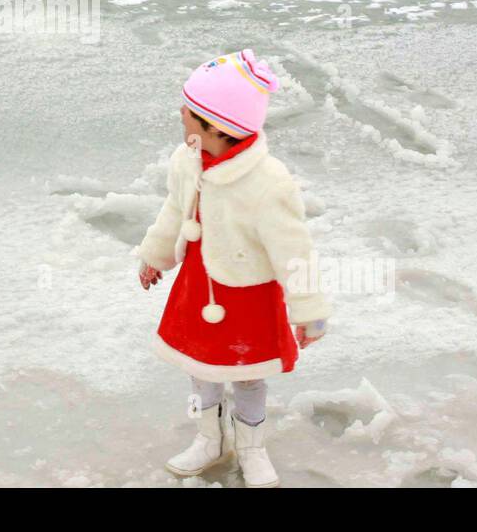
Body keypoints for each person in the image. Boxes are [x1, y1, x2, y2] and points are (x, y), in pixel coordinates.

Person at [138, 49, 332, 487]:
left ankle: (251, 447)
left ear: (216, 125)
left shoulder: (269, 182)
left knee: (247, 376)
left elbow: (294, 250)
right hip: (197, 285)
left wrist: (309, 309)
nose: (181, 115)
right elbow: (174, 209)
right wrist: (155, 254)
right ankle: (210, 439)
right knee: (200, 367)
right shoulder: (186, 159)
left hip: (248, 294)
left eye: (189, 110)